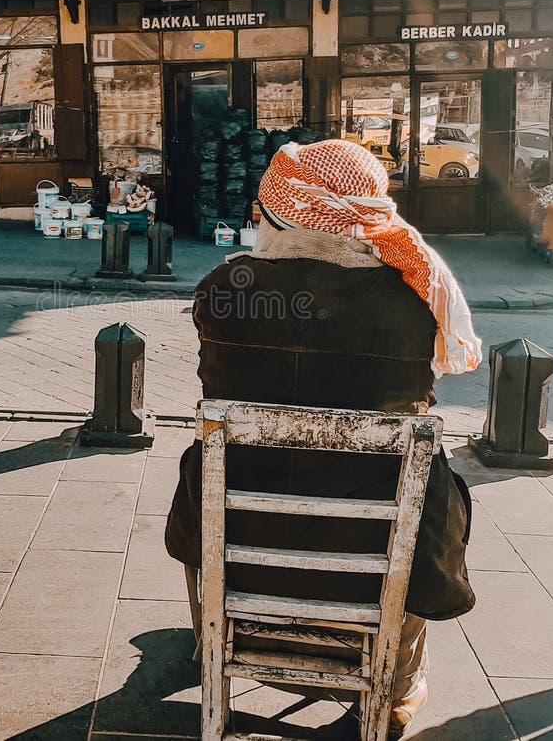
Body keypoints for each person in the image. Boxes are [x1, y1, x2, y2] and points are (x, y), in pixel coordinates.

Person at [165, 139, 482, 737]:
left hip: (241, 540)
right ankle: (391, 686)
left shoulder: (224, 290)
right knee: (435, 488)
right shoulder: (412, 303)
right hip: (372, 554)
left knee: (199, 462)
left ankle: (221, 634)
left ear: (279, 216)